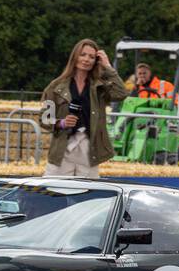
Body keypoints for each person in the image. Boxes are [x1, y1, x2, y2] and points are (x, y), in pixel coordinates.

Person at [41, 39, 127, 178]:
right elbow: (44, 118)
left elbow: (121, 93)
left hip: (89, 150)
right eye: (83, 54)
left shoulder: (99, 86)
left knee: (88, 196)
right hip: (62, 150)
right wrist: (61, 123)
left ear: (96, 61)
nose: (86, 59)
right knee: (54, 194)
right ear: (75, 56)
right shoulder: (55, 86)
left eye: (92, 57)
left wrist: (108, 66)